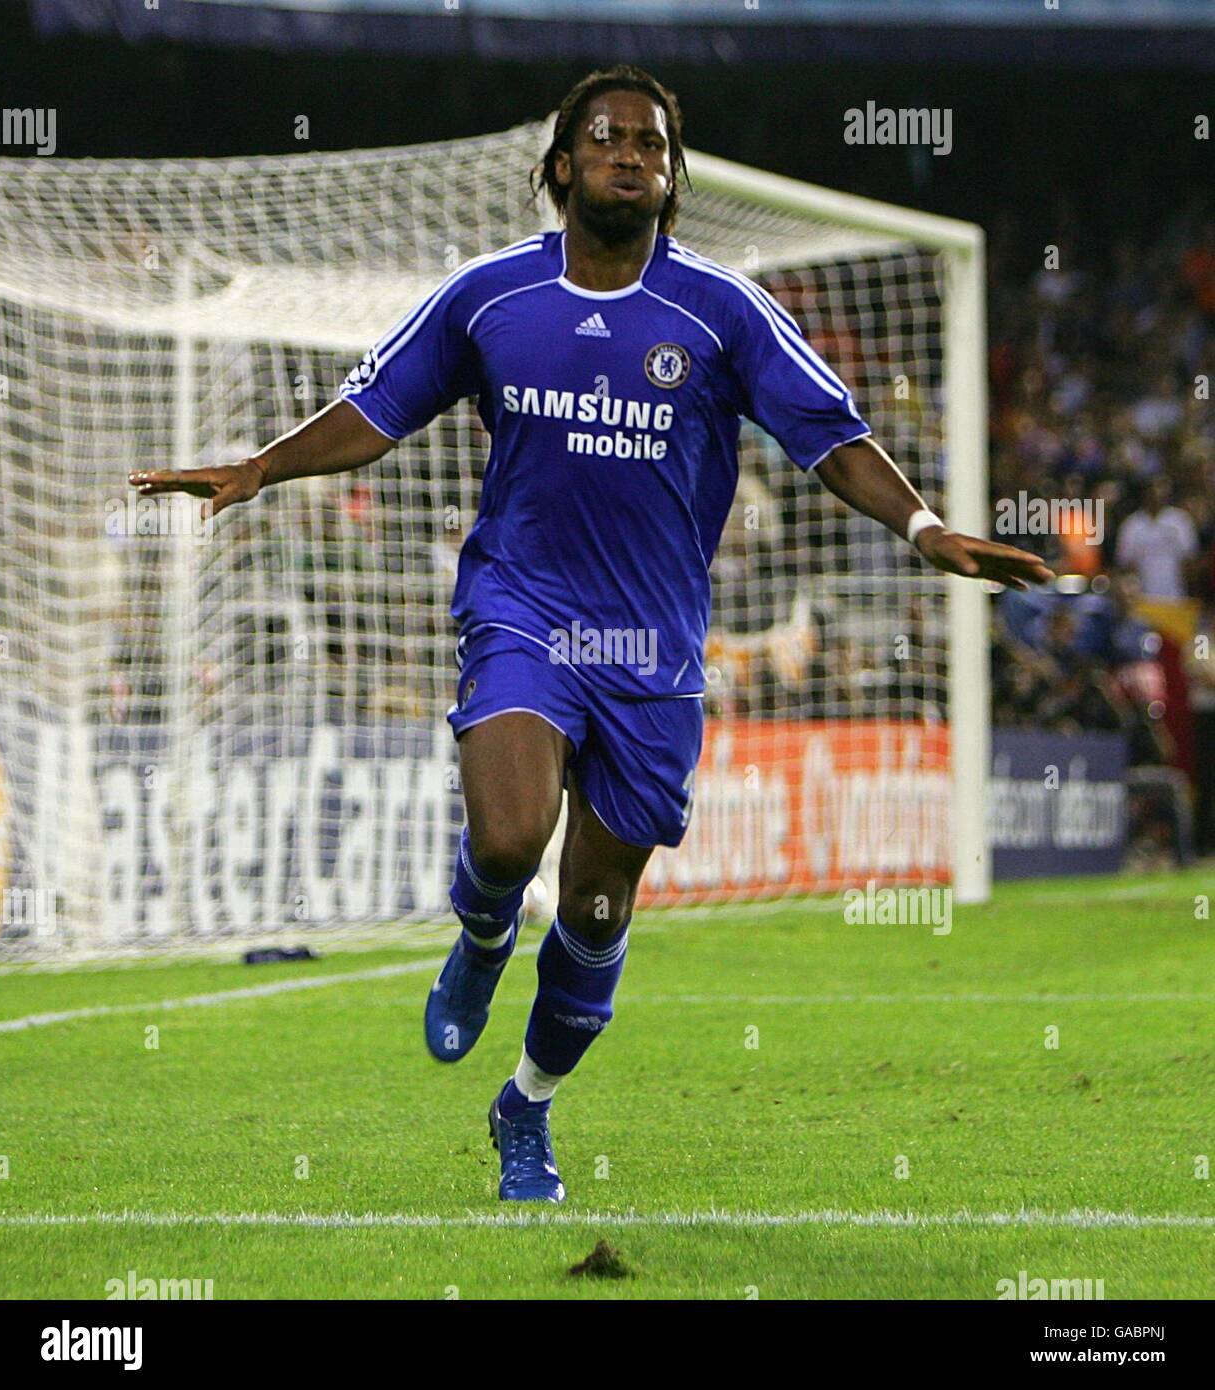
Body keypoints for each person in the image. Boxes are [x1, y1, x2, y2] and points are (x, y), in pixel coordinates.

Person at [127, 65, 1051, 1203]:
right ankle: (476, 936)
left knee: (596, 910)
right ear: (561, 166)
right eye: (607, 138)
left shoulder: (722, 312)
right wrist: (261, 466)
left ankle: (527, 1105)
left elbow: (831, 433)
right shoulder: (489, 295)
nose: (631, 155)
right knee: (511, 839)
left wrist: (923, 527)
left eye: (652, 146)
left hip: (655, 651)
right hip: (523, 608)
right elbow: (377, 410)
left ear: (671, 178)